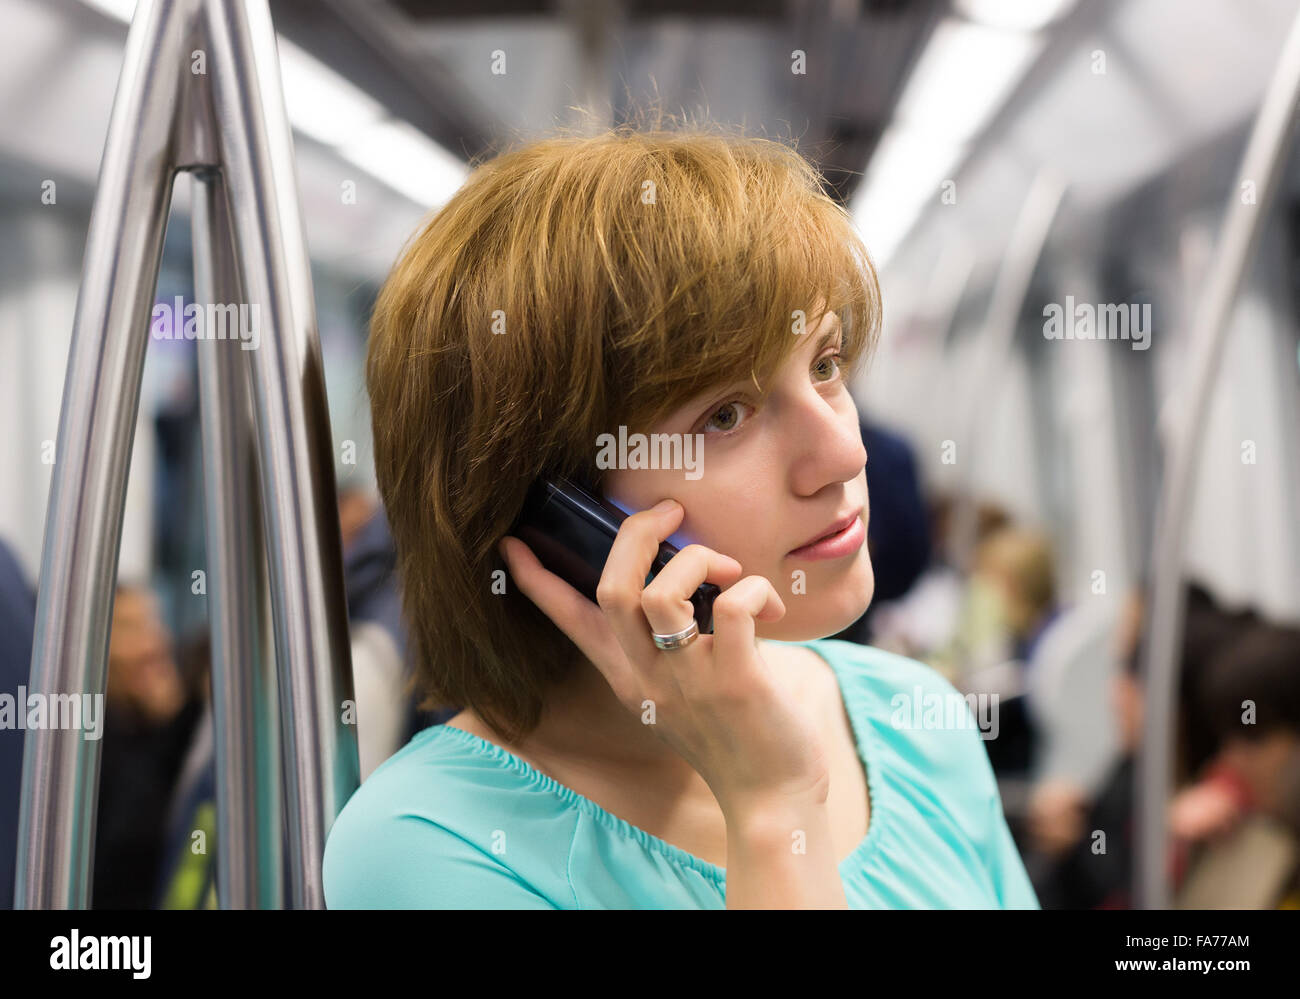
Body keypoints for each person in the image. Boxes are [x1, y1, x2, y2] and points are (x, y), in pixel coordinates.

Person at [322, 121, 1039, 909]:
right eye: (726, 415)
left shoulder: (914, 718)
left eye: (826, 365)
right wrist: (771, 809)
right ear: (556, 518)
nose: (843, 453)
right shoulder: (427, 843)